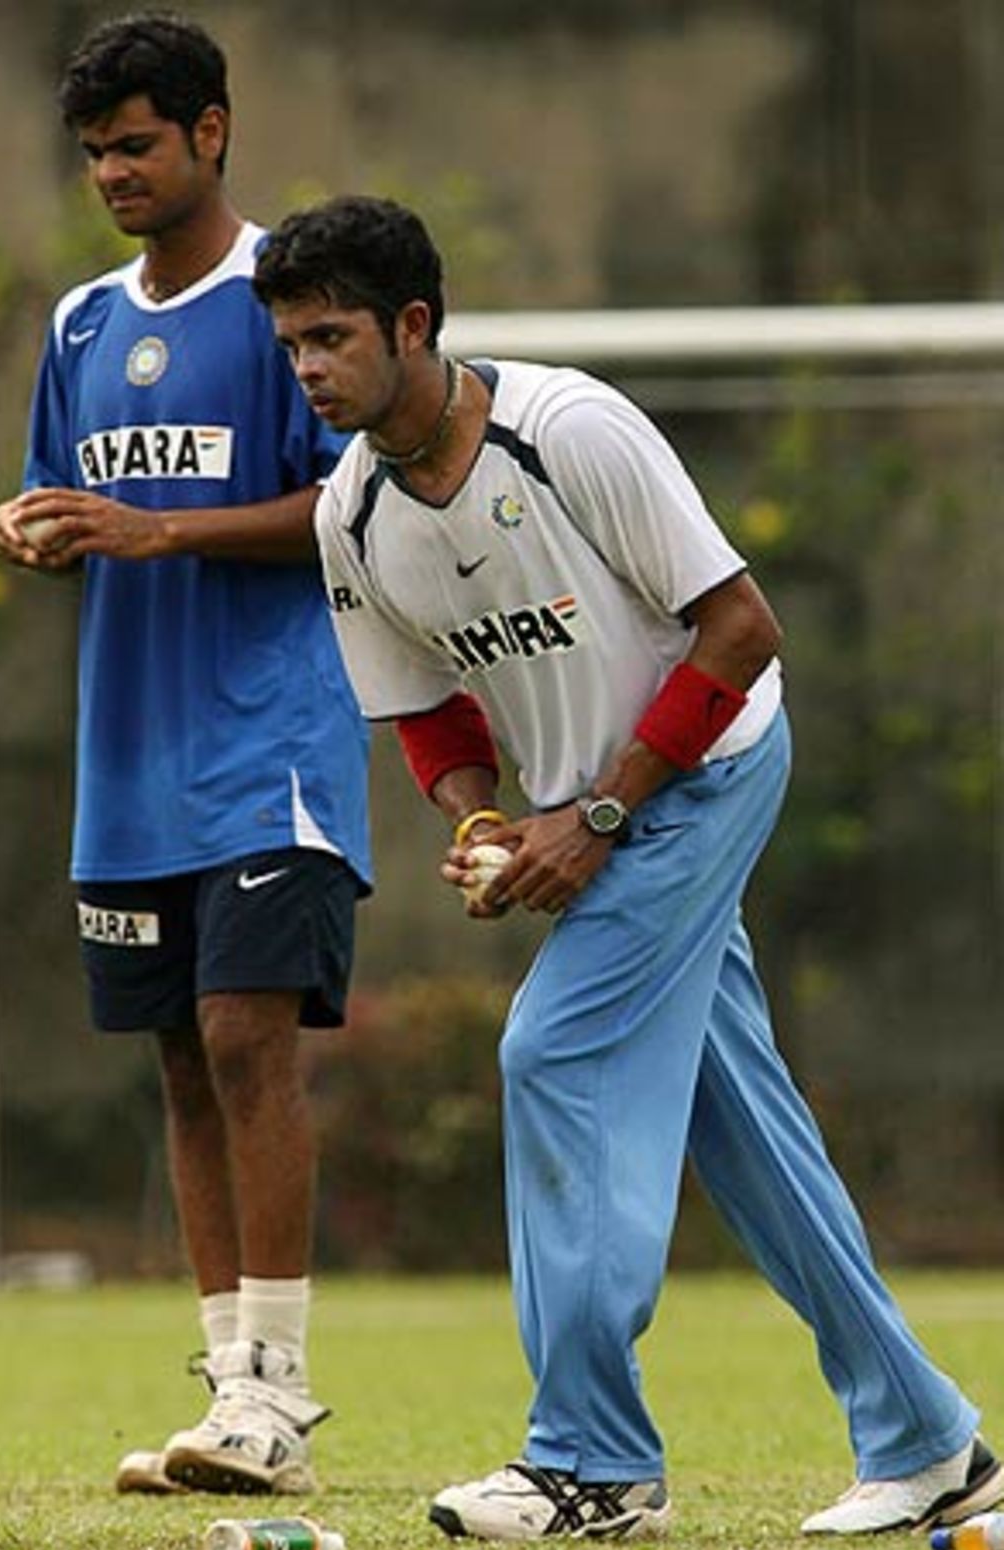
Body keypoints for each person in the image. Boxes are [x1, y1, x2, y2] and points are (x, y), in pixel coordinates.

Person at [251, 194, 1004, 1541]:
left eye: (331, 336)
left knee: (555, 1053)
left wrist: (592, 817)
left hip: (705, 769)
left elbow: (741, 629)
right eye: (292, 343)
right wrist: (479, 820)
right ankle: (928, 1436)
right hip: (590, 806)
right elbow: (424, 707)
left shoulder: (569, 430)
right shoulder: (351, 516)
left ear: (414, 325)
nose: (308, 368)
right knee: (744, 1130)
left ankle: (593, 1459)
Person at [0, 17, 371, 1499]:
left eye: (136, 143)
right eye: (93, 152)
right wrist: (32, 531)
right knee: (177, 1055)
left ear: (212, 132)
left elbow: (349, 510)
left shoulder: (290, 301)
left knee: (242, 1034)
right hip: (130, 757)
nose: (113, 173)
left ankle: (278, 1387)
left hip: (271, 743)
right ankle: (231, 1390)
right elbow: (59, 498)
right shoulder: (83, 324)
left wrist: (161, 528)